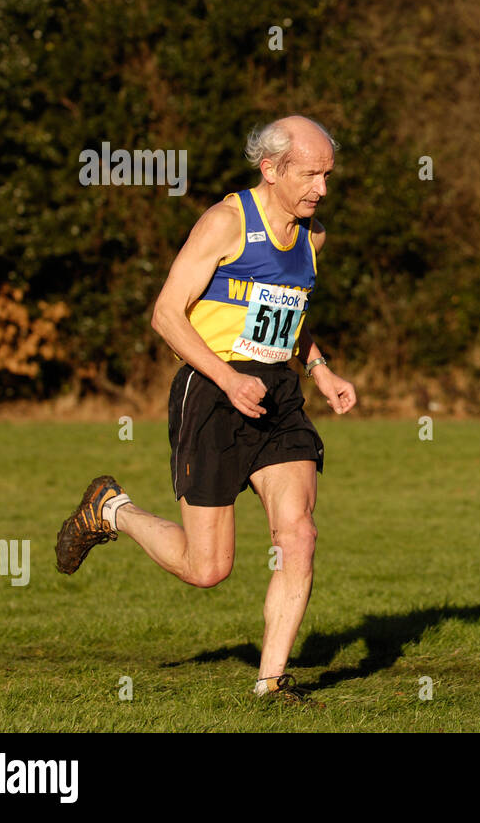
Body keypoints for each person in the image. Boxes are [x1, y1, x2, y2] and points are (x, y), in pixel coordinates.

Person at [55, 115, 356, 703]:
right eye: (311, 174)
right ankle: (110, 509)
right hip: (213, 393)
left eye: (328, 175)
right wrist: (226, 377)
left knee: (298, 534)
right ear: (270, 169)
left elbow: (287, 312)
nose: (322, 188)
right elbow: (167, 314)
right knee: (207, 567)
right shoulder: (225, 223)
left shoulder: (314, 236)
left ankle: (271, 683)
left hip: (280, 396)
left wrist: (320, 368)